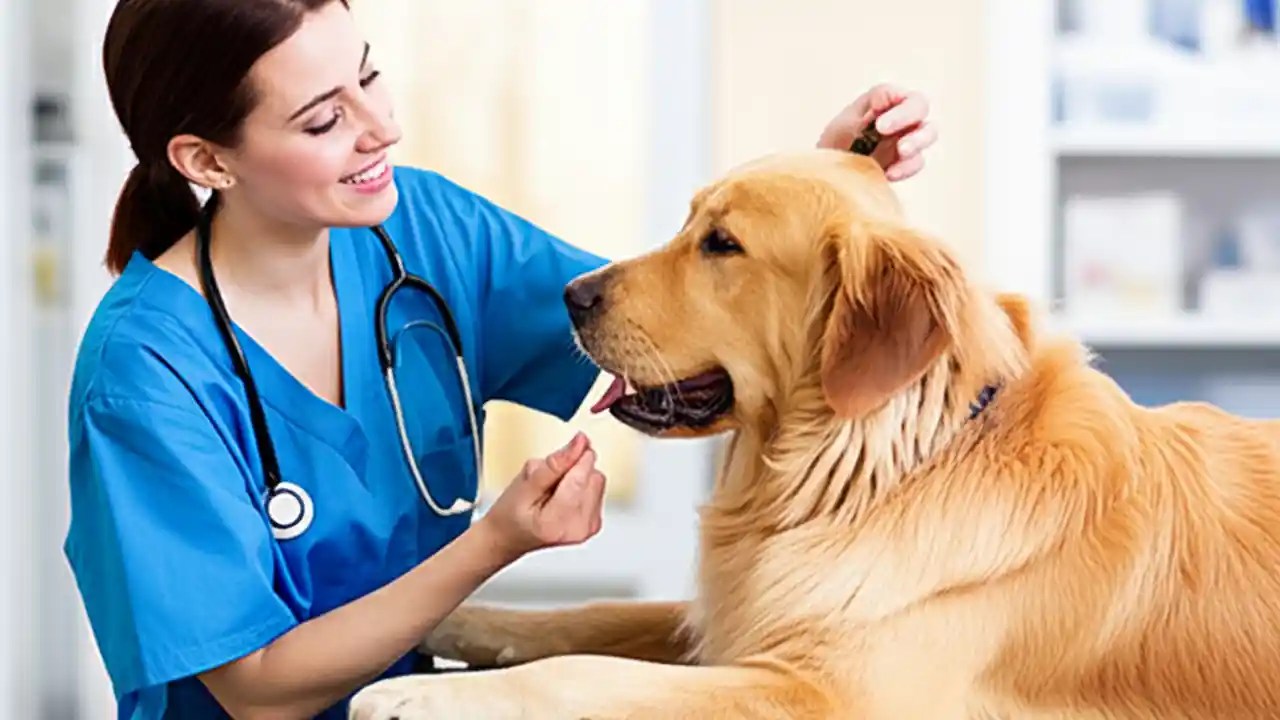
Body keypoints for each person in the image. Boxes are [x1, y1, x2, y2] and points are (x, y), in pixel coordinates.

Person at [61, 1, 939, 718]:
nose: (384, 128)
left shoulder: (428, 234)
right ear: (206, 158)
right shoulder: (145, 373)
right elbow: (256, 688)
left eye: (367, 74)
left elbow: (661, 330)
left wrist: (823, 201)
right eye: (326, 118)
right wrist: (495, 543)